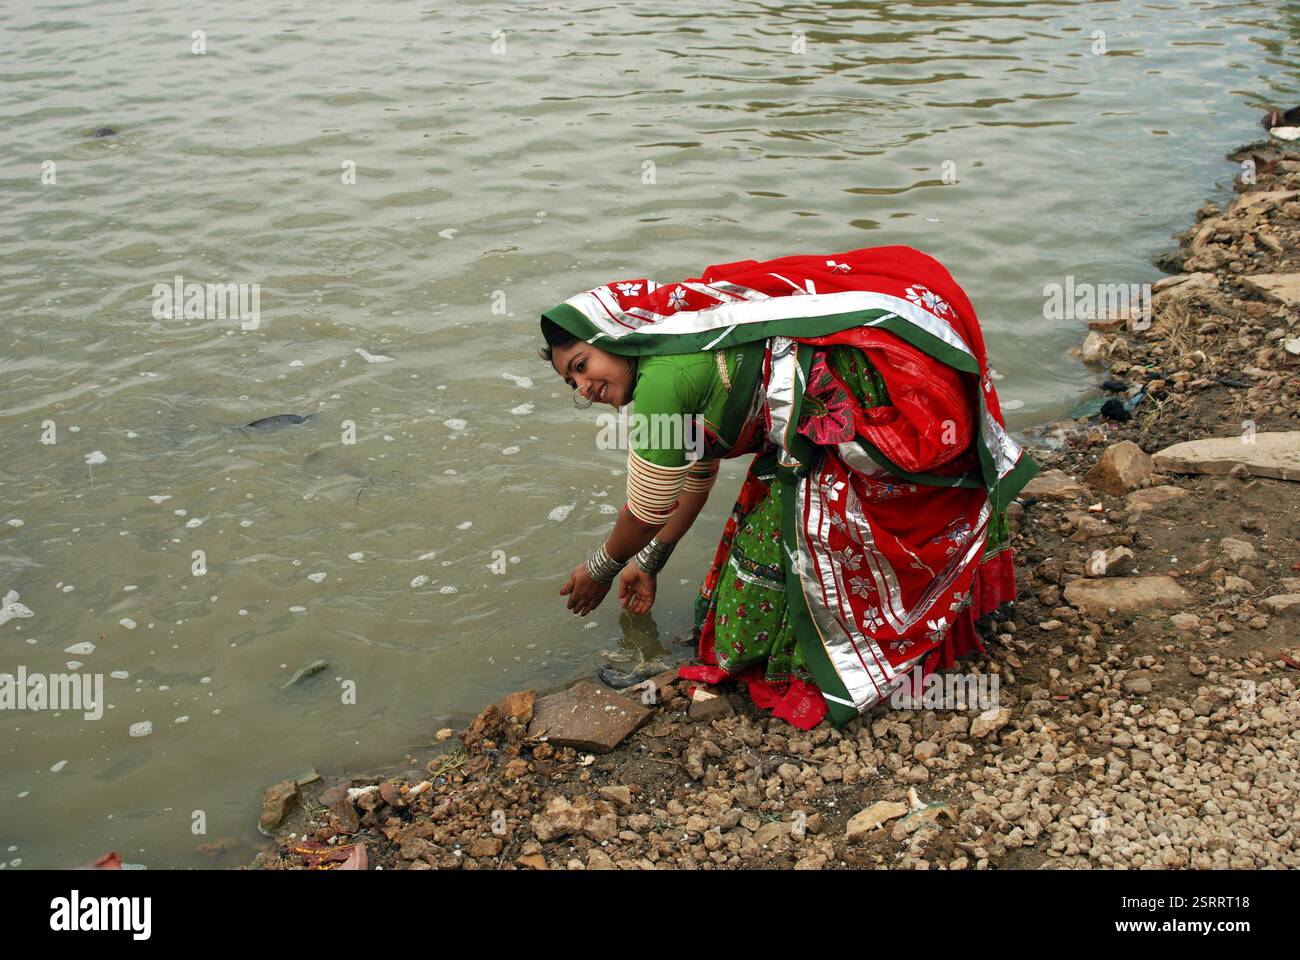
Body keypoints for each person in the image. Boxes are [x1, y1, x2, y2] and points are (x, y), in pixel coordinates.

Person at [538, 245, 1037, 731]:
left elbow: (647, 507)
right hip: (814, 419)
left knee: (810, 542)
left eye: (582, 365)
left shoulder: (661, 386)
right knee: (768, 541)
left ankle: (832, 664)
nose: (583, 388)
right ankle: (929, 618)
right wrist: (649, 563)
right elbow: (696, 472)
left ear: (615, 336)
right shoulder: (668, 361)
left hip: (860, 398)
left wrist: (600, 569)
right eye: (571, 384)